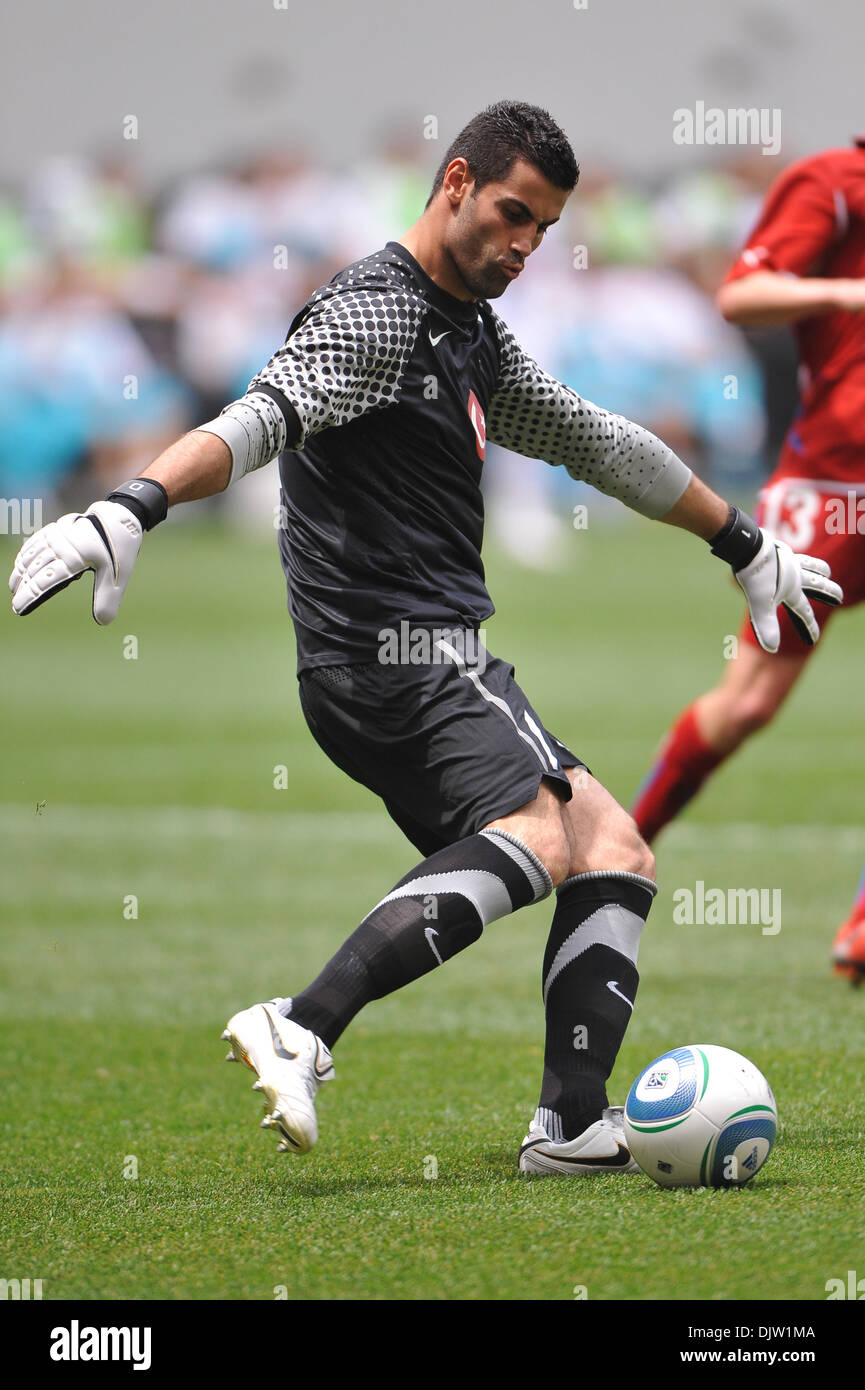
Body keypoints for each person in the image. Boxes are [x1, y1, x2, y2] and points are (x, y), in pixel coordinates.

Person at [9, 102, 841, 1175]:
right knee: (541, 837)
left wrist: (739, 538)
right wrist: (131, 504)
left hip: (421, 656)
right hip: (396, 652)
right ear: (454, 182)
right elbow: (257, 417)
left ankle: (571, 1126)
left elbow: (592, 437)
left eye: (541, 229)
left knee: (614, 851)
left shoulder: (469, 330)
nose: (524, 246)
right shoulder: (379, 315)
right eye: (509, 215)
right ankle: (302, 1023)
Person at [630, 137, 865, 983]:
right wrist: (849, 291)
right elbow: (743, 294)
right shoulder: (835, 181)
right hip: (832, 486)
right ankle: (626, 843)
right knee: (751, 702)